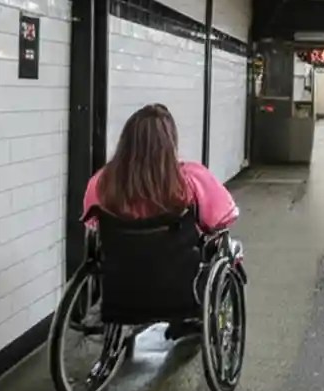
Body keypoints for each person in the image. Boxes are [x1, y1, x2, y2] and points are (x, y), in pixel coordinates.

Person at [83, 103, 239, 337]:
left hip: (122, 290)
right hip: (179, 288)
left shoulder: (102, 183)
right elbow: (223, 218)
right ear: (169, 142)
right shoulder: (190, 180)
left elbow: (92, 224)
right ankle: (189, 322)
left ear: (126, 141)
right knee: (228, 249)